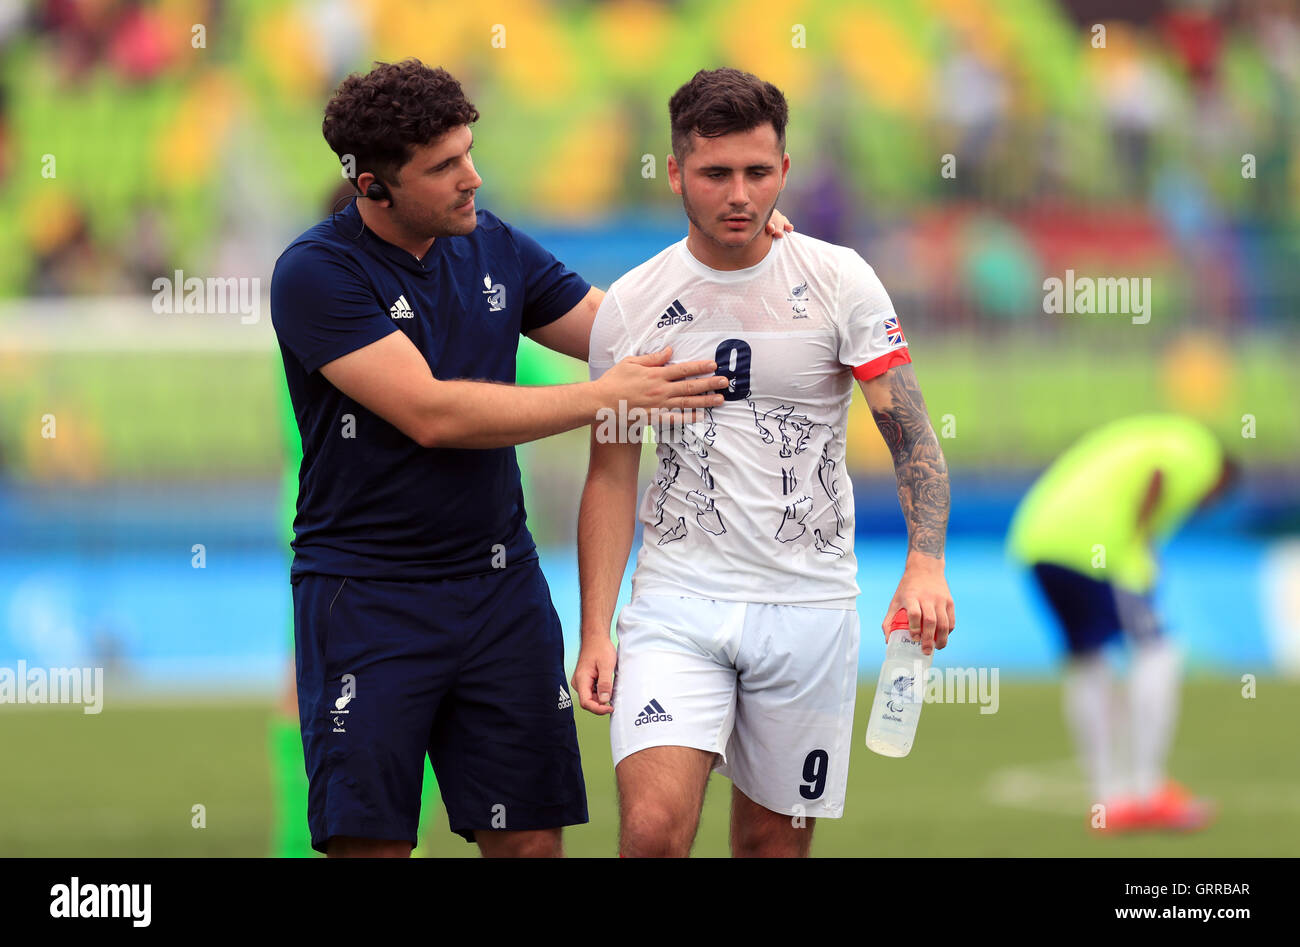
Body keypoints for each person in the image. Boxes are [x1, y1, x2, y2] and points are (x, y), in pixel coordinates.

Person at [269, 59, 782, 858]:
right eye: (443, 167)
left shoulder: (495, 245)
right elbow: (432, 413)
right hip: (365, 597)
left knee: (532, 845)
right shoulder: (315, 272)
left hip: (500, 589)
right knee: (370, 846)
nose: (473, 178)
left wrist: (735, 256)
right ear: (373, 186)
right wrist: (608, 397)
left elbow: (631, 332)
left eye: (469, 151)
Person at [572, 68, 954, 858]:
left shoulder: (840, 280)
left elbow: (911, 434)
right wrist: (595, 627)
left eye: (758, 172)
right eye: (716, 173)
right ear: (676, 173)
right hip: (678, 602)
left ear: (785, 169)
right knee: (650, 834)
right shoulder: (632, 306)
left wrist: (925, 563)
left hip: (809, 607)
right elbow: (610, 471)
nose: (739, 194)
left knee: (771, 849)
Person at [1007, 413, 1237, 833]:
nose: (1207, 505)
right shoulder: (1200, 450)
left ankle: (1108, 799)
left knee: (1089, 662)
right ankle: (1147, 791)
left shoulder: (1146, 434)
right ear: (1222, 478)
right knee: (1159, 652)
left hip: (1038, 543)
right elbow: (1158, 475)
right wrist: (1141, 541)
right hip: (1098, 550)